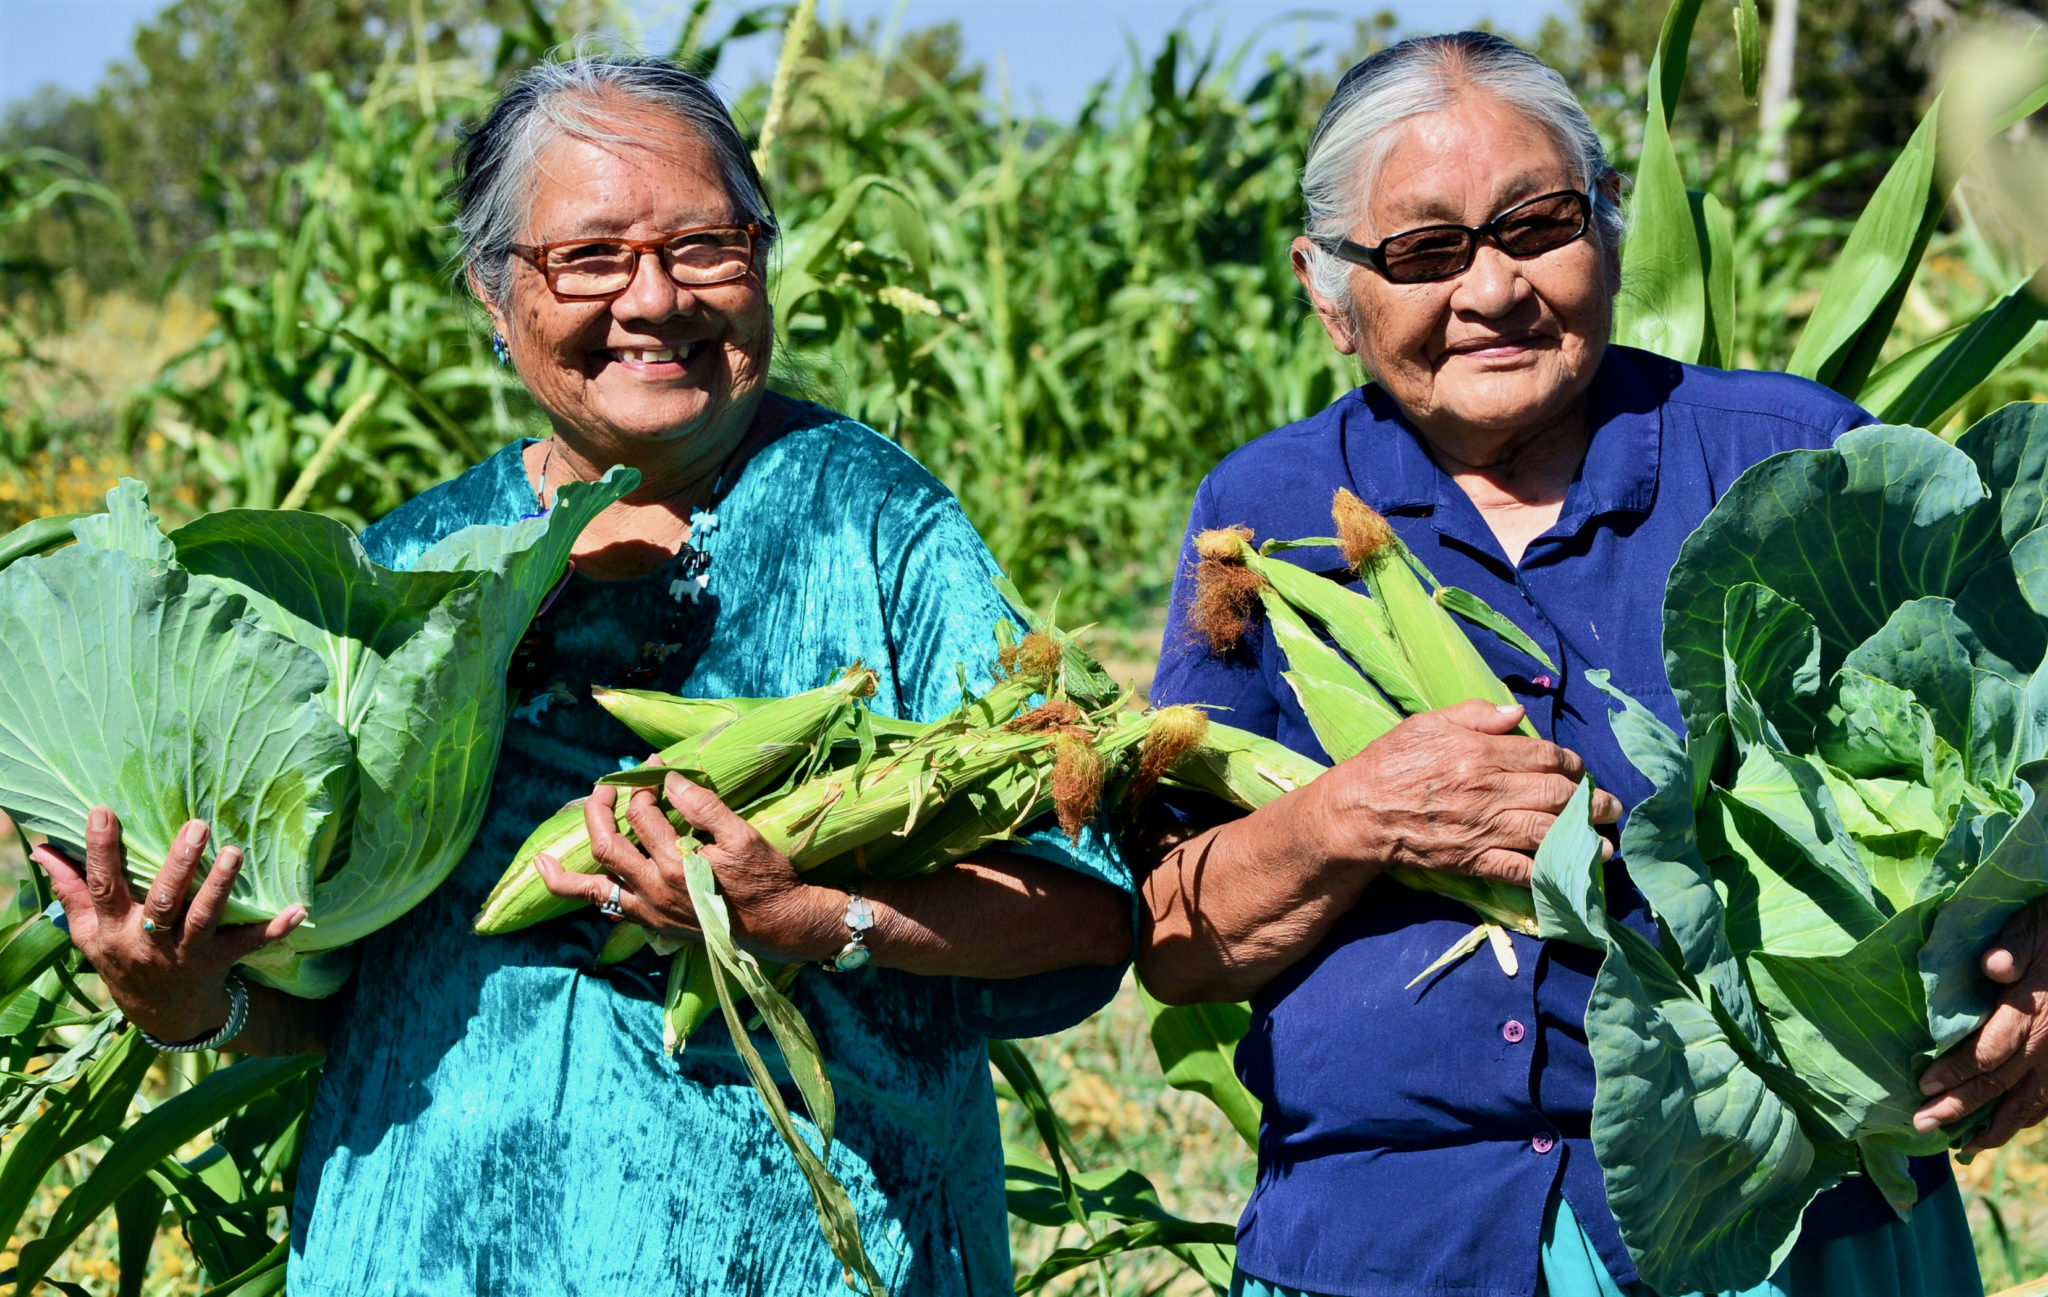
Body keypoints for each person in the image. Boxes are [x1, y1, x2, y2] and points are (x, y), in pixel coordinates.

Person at [30, 55, 1134, 1296]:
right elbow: (318, 990)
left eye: (706, 246)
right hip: (424, 1250)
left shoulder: (879, 527)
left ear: (764, 260)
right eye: (590, 259)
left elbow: (1088, 909)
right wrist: (183, 995)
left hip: (818, 1259)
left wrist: (807, 921)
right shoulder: (408, 574)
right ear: (494, 298)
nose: (655, 300)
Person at [1136, 32, 2048, 1297]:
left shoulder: (1789, 465)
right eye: (1422, 252)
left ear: (1609, 226)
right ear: (1326, 289)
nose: (1493, 288)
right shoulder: (1265, 513)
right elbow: (1173, 937)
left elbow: (2013, 759)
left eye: (1537, 224)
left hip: (1783, 1230)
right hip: (1393, 1244)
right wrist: (1350, 818)